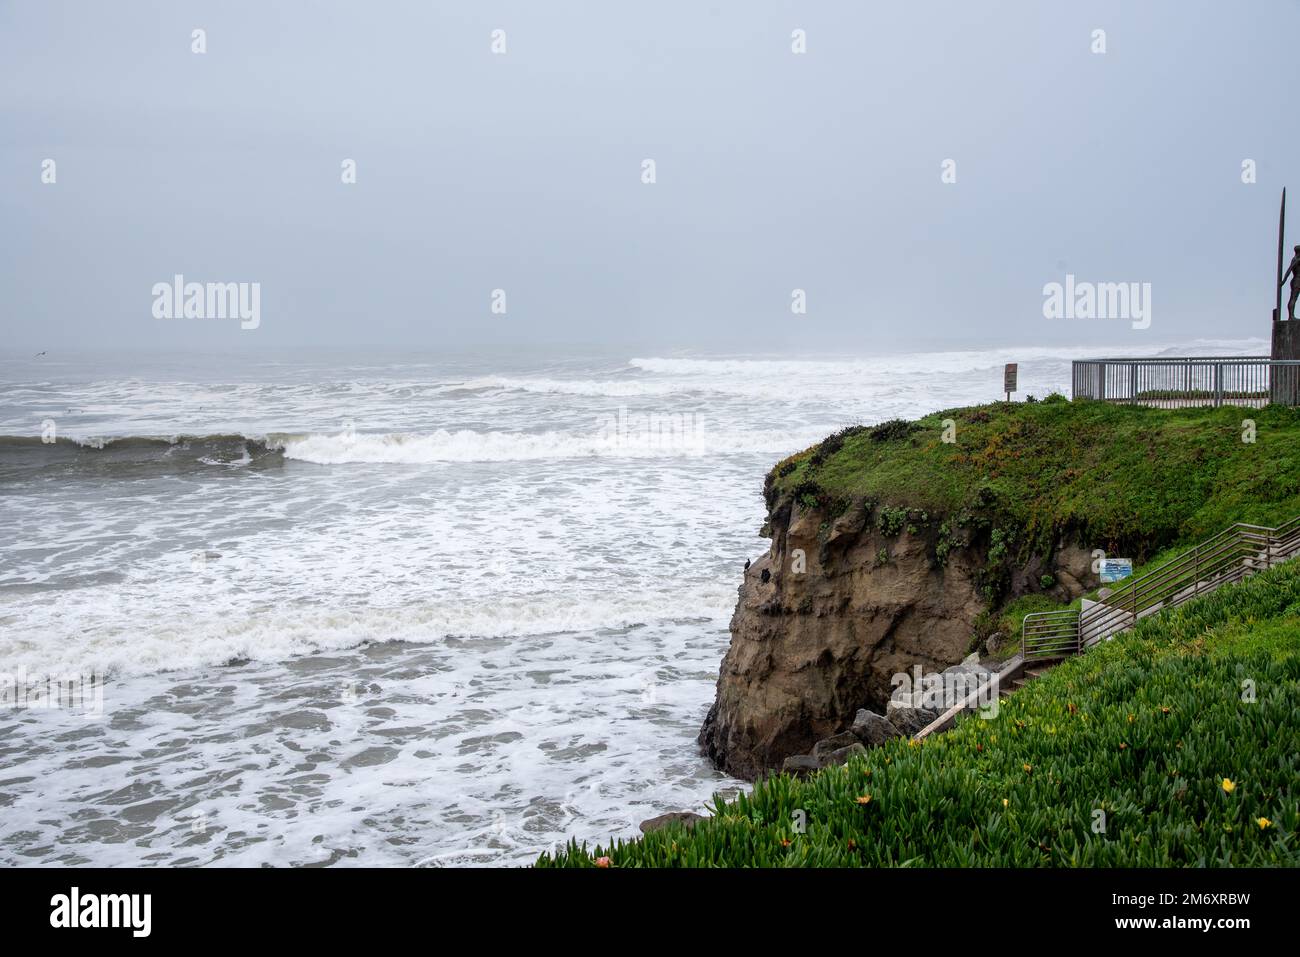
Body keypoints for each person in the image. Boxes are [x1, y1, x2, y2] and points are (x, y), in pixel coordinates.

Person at [1283, 244, 1300, 321]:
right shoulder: (1296, 260)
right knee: (1293, 298)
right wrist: (1283, 280)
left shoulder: (1295, 259)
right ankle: (1291, 316)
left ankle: (1291, 315)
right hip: (1297, 281)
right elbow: (1289, 270)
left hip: (1296, 281)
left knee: (1293, 298)